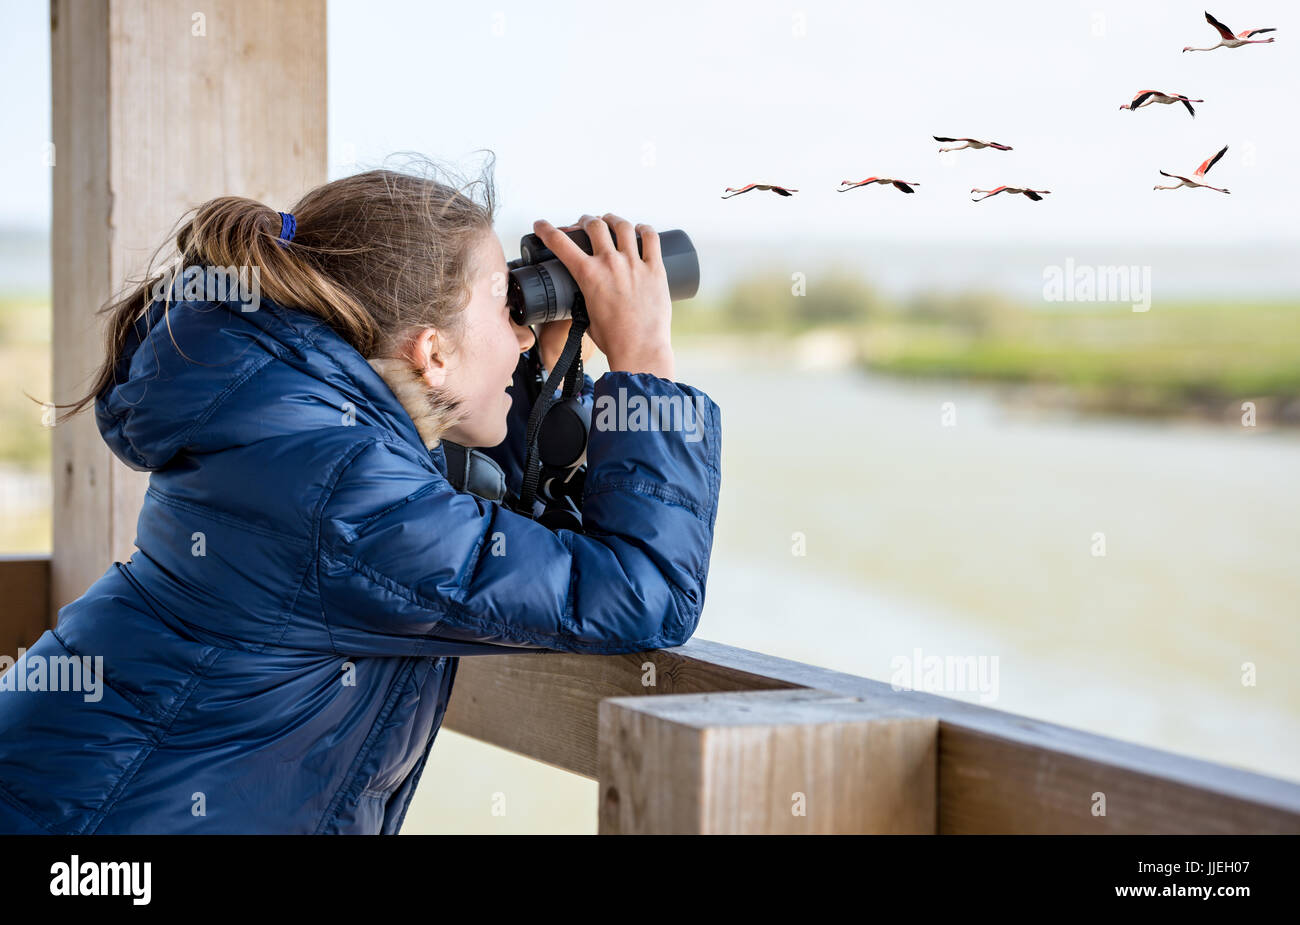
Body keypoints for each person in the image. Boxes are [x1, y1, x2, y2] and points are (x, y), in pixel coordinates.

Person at [0, 161, 721, 834]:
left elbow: (512, 542)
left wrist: (549, 369)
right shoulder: (343, 492)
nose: (525, 328)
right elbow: (643, 589)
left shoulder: (296, 431)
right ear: (432, 351)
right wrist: (647, 359)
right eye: (509, 305)